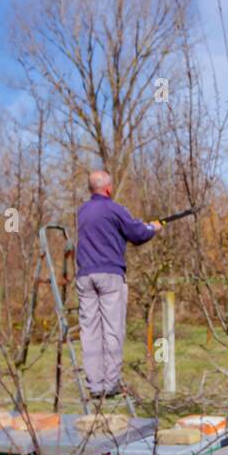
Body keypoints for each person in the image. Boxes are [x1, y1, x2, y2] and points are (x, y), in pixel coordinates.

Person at [75, 170, 160, 398]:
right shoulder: (114, 209)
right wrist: (153, 227)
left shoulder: (82, 211)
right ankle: (110, 384)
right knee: (112, 329)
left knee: (90, 331)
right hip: (109, 275)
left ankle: (95, 385)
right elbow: (138, 234)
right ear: (109, 188)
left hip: (84, 276)